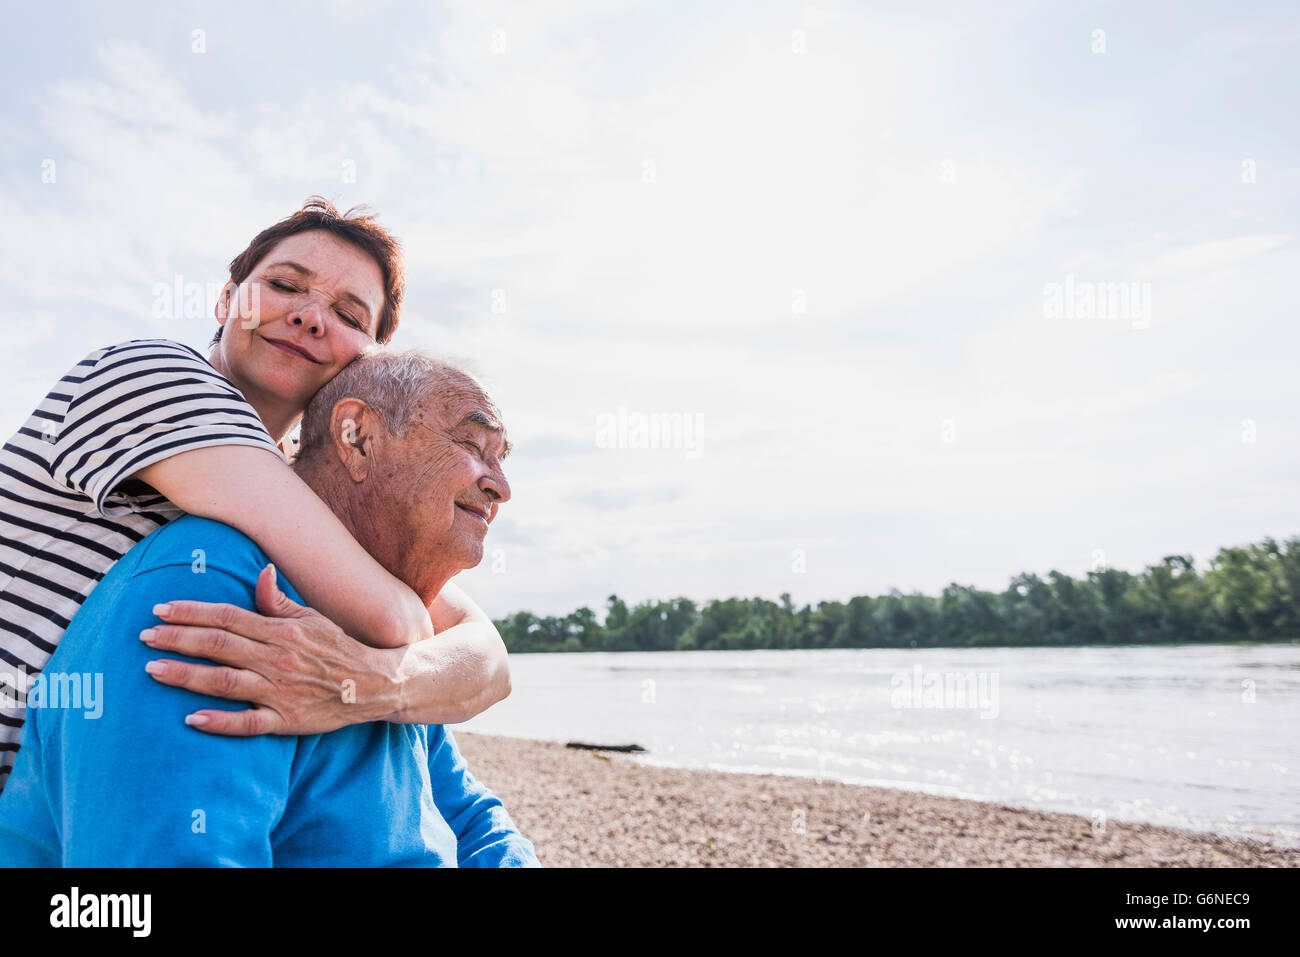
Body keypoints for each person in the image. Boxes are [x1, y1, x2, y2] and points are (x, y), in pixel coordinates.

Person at [0, 198, 509, 790]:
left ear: (366, 360)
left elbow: (487, 659)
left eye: (349, 314)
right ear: (226, 300)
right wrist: (388, 676)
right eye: (285, 285)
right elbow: (397, 617)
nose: (310, 317)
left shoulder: (294, 479)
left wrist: (370, 685)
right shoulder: (147, 375)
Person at [0, 349, 538, 866]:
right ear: (358, 439)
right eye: (472, 444)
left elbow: (466, 813)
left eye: (501, 458)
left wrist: (375, 681)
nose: (502, 487)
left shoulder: (394, 633)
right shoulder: (211, 588)